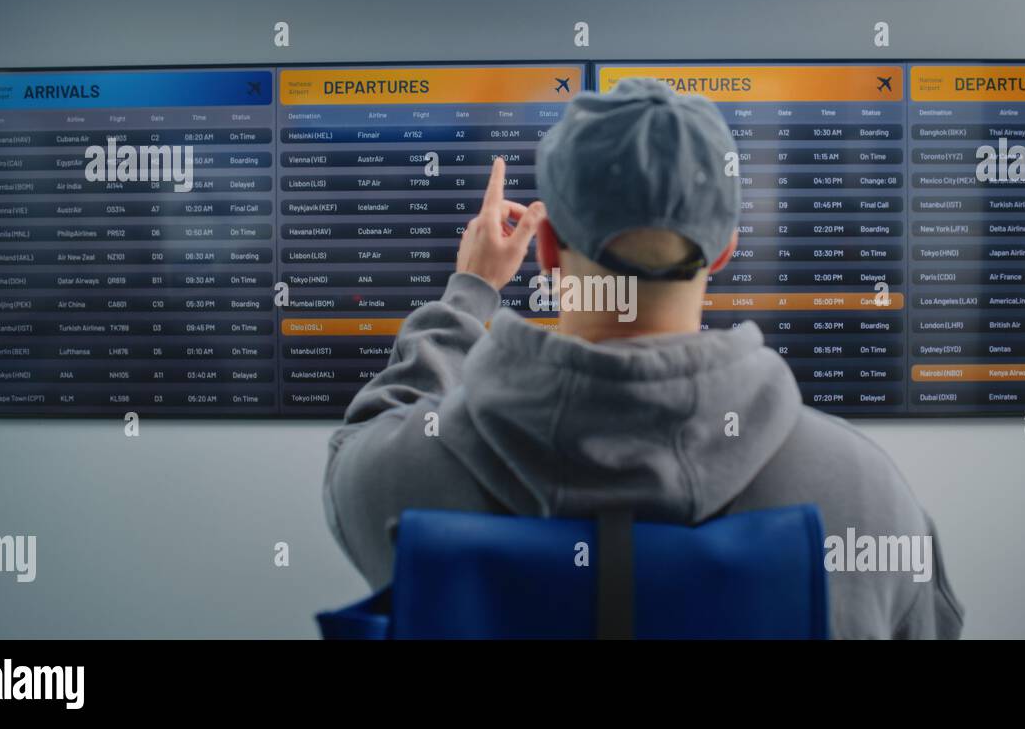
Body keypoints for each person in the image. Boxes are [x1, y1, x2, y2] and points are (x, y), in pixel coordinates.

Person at [323, 78, 964, 639]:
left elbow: (364, 438)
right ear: (721, 252)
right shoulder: (863, 496)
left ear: (546, 248)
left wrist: (469, 296)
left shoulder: (408, 482)